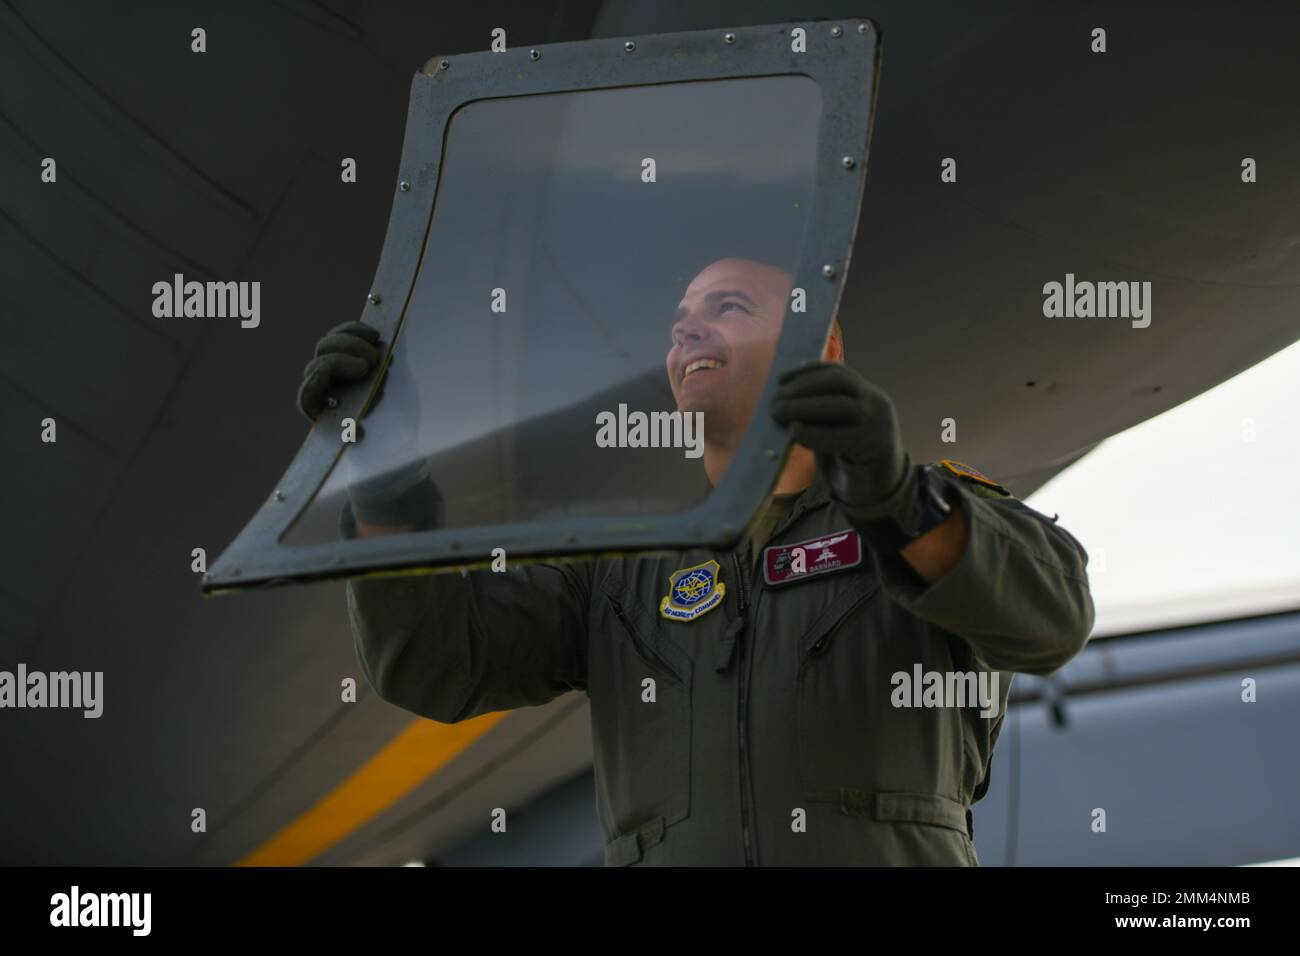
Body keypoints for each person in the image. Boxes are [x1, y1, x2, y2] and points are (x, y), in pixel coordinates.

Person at [297, 257, 1095, 865]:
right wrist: (388, 482)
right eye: (680, 319)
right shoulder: (624, 568)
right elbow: (438, 662)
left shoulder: (924, 520)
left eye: (730, 308)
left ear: (823, 344)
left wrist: (893, 500)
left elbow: (1053, 618)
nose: (687, 330)